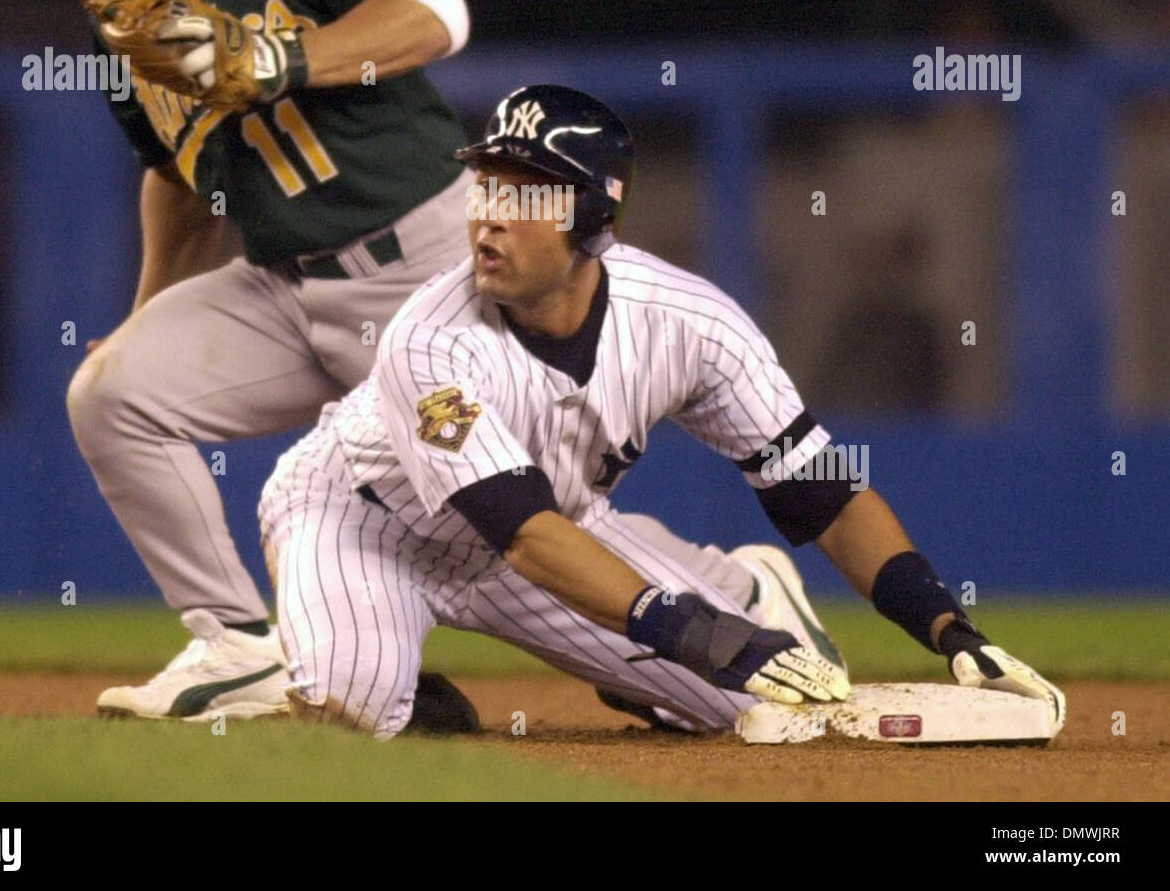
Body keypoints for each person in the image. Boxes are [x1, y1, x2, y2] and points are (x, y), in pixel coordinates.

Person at [259, 85, 1066, 739]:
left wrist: (949, 628)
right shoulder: (428, 338)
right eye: (488, 184)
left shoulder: (687, 320)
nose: (491, 213)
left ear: (594, 219)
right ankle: (367, 675)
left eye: (528, 191)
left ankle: (734, 592)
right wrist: (699, 631)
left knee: (773, 709)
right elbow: (524, 532)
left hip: (553, 533)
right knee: (349, 705)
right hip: (363, 522)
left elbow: (823, 492)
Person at [59, 0, 480, 726]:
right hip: (284, 282)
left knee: (505, 546)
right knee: (114, 391)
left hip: (420, 265)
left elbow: (436, 10)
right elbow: (175, 170)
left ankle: (727, 597)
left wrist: (280, 55)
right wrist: (150, 306)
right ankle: (238, 646)